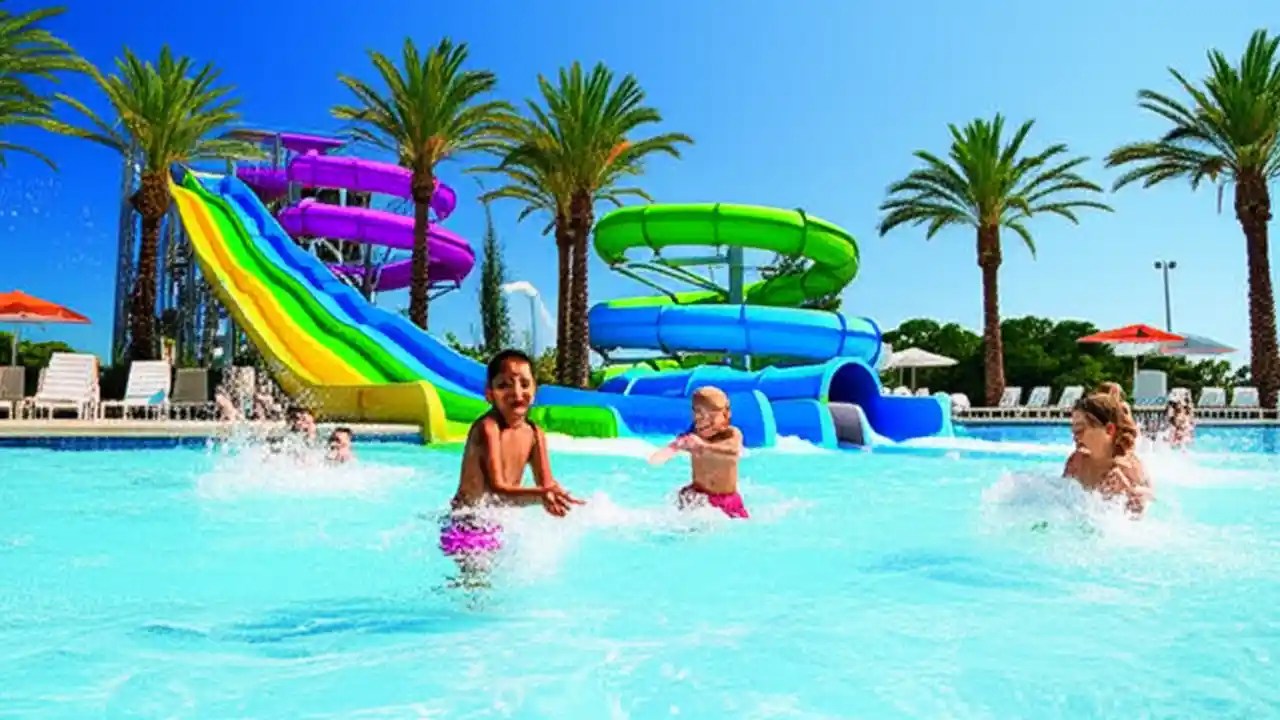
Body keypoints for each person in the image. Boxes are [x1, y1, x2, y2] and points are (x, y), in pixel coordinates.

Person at [441, 349, 584, 558]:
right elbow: (498, 491)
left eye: (524, 384)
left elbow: (547, 484)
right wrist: (542, 496)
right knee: (474, 587)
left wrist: (564, 500)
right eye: (504, 385)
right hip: (467, 525)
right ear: (489, 394)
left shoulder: (535, 434)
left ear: (535, 391)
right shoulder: (488, 429)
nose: (517, 393)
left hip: (498, 522)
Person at [649, 386, 748, 519]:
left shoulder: (731, 434)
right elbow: (664, 453)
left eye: (710, 416)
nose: (703, 420)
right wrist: (671, 449)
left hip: (725, 499)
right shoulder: (693, 435)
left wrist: (702, 446)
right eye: (698, 414)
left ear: (726, 415)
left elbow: (734, 451)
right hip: (698, 495)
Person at [1064, 392, 1152, 515]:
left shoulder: (1130, 468)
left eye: (1080, 430)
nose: (1075, 437)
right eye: (1073, 431)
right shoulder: (1076, 462)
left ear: (1109, 430)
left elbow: (1146, 511)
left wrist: (1129, 491)